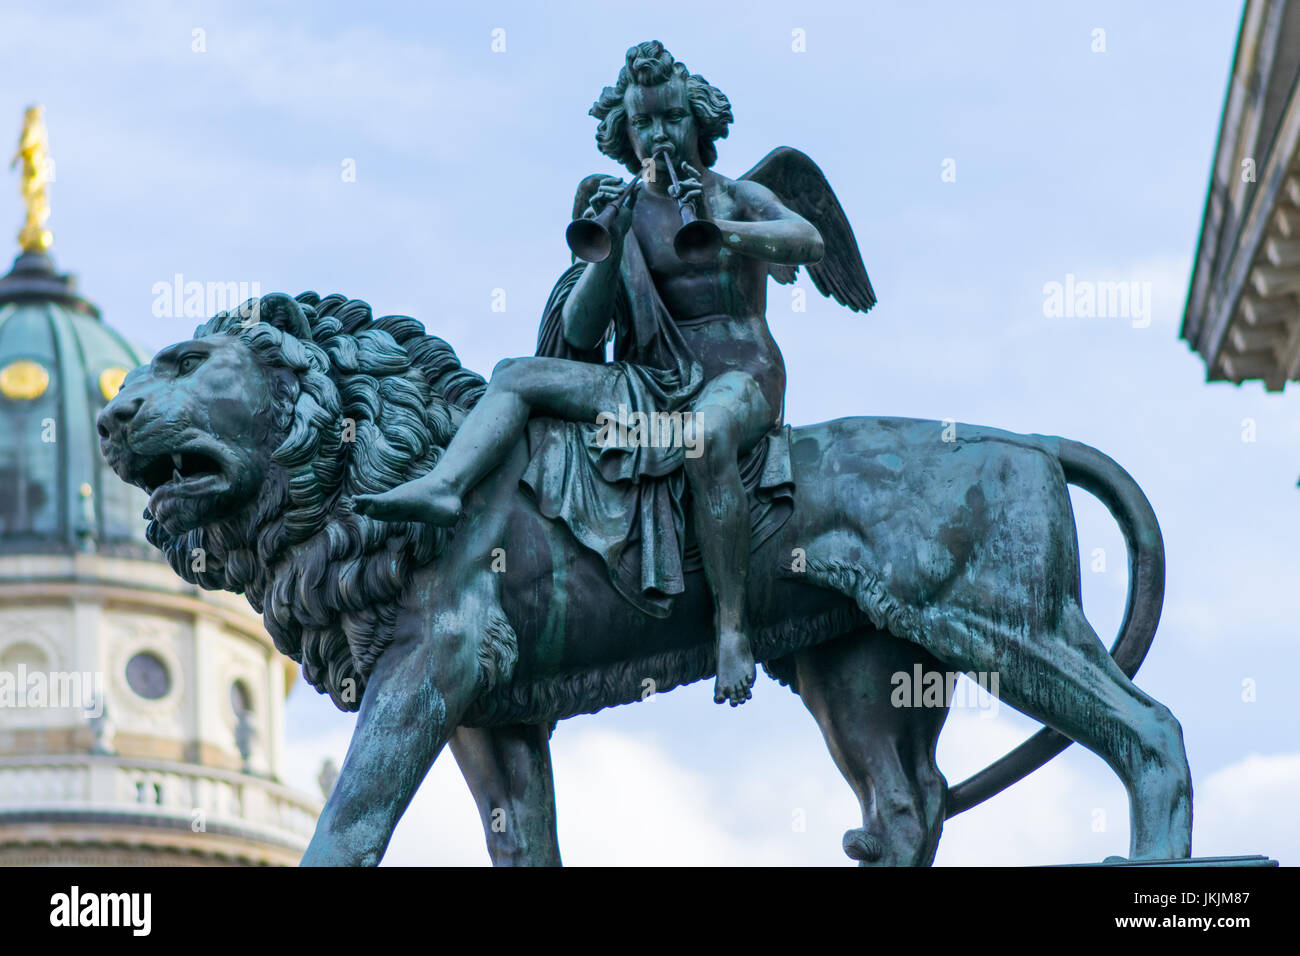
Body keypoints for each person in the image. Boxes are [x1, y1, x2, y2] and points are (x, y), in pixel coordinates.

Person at [356, 41, 826, 706]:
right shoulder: (621, 206)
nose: (658, 135)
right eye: (644, 125)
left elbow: (809, 241)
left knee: (704, 437)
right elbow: (580, 335)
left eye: (670, 119)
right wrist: (610, 247)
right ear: (625, 134)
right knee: (516, 374)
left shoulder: (738, 195)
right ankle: (444, 484)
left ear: (696, 121)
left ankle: (729, 627)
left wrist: (725, 230)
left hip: (739, 373)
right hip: (648, 384)